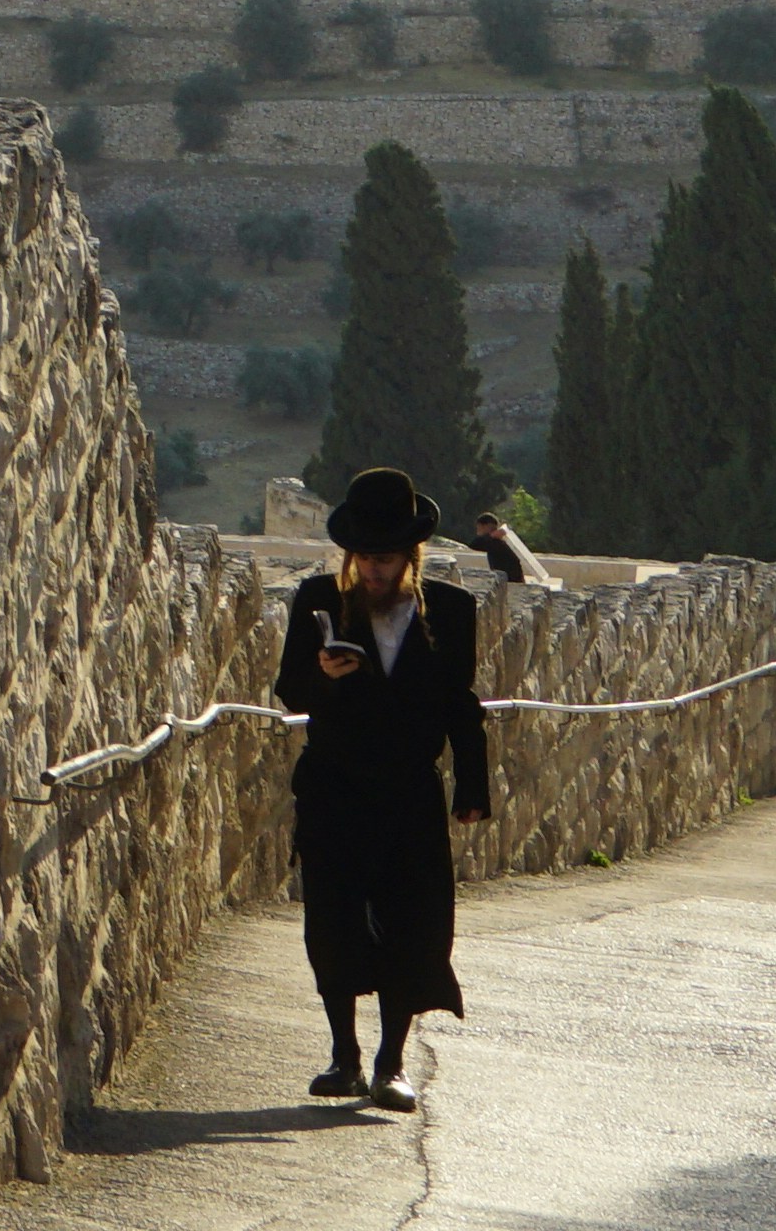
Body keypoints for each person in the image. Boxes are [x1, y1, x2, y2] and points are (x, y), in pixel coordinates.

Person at [273, 465, 492, 1109]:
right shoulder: (318, 602)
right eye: (364, 558)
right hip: (335, 788)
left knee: (415, 923)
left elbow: (461, 703)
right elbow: (290, 691)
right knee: (334, 920)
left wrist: (471, 786)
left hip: (408, 793)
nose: (374, 570)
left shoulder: (450, 611)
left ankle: (391, 1062)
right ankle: (343, 1055)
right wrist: (325, 674)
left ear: (410, 555)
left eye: (386, 557)